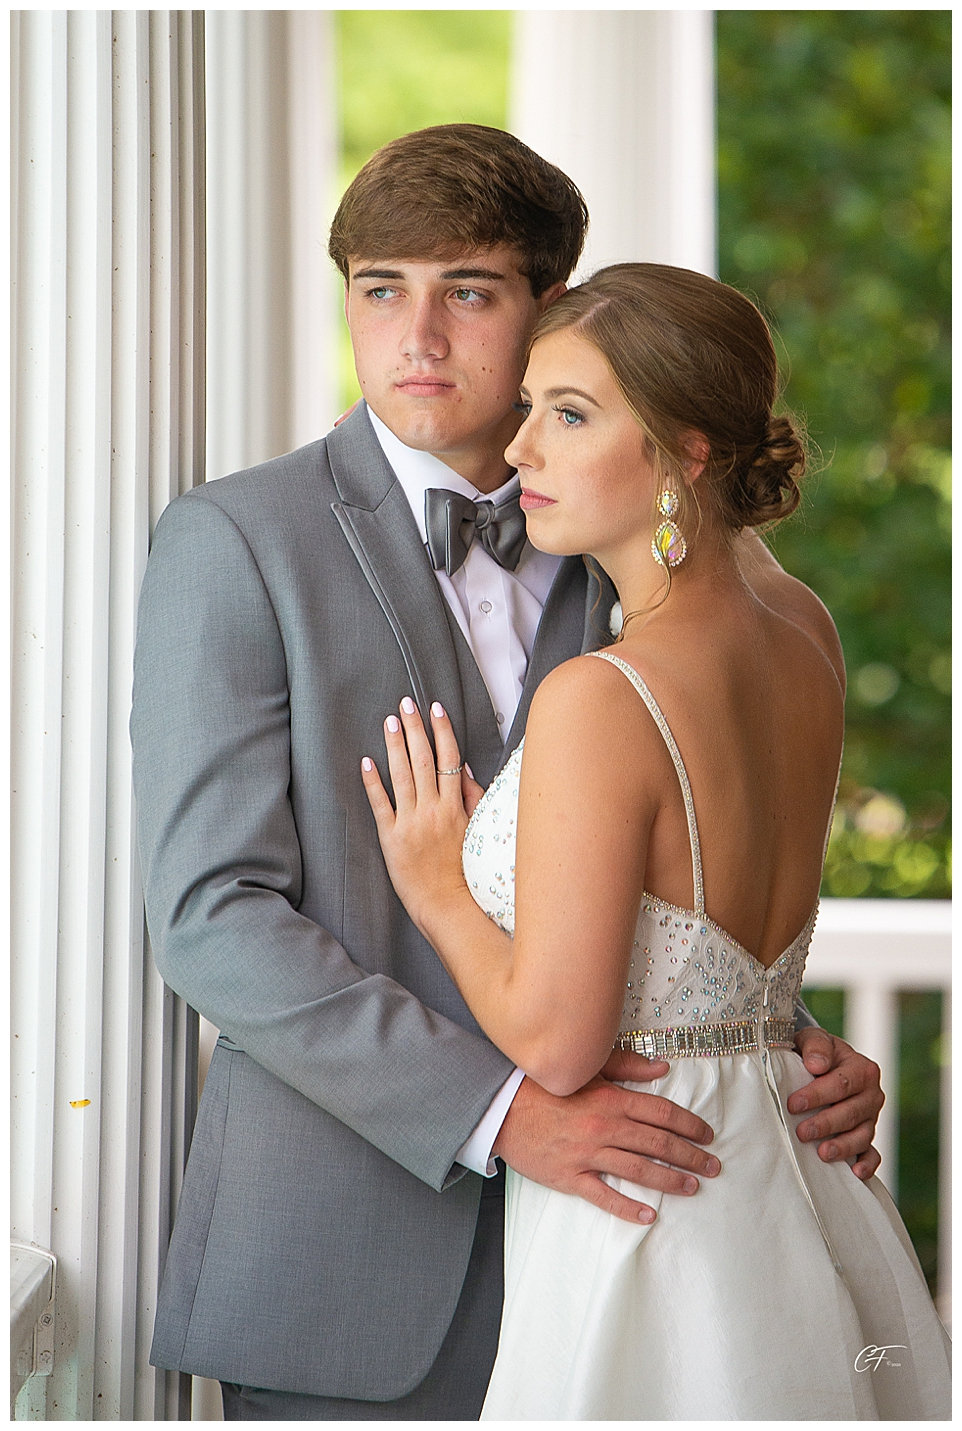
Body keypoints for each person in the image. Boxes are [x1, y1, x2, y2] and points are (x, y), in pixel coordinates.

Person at [132, 126, 886, 1421]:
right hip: (351, 1262)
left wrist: (780, 1046)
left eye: (468, 292)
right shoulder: (235, 542)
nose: (417, 336)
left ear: (551, 307)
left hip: (630, 1248)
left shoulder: (645, 556)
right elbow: (211, 915)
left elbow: (665, 870)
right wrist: (498, 1111)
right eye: (381, 289)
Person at [361, 262, 951, 1420]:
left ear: (686, 451)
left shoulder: (603, 697)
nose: (518, 447)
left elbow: (558, 1043)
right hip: (794, 1175)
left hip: (648, 1212)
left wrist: (437, 886)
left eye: (568, 414)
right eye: (528, 405)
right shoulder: (800, 626)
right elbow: (724, 943)